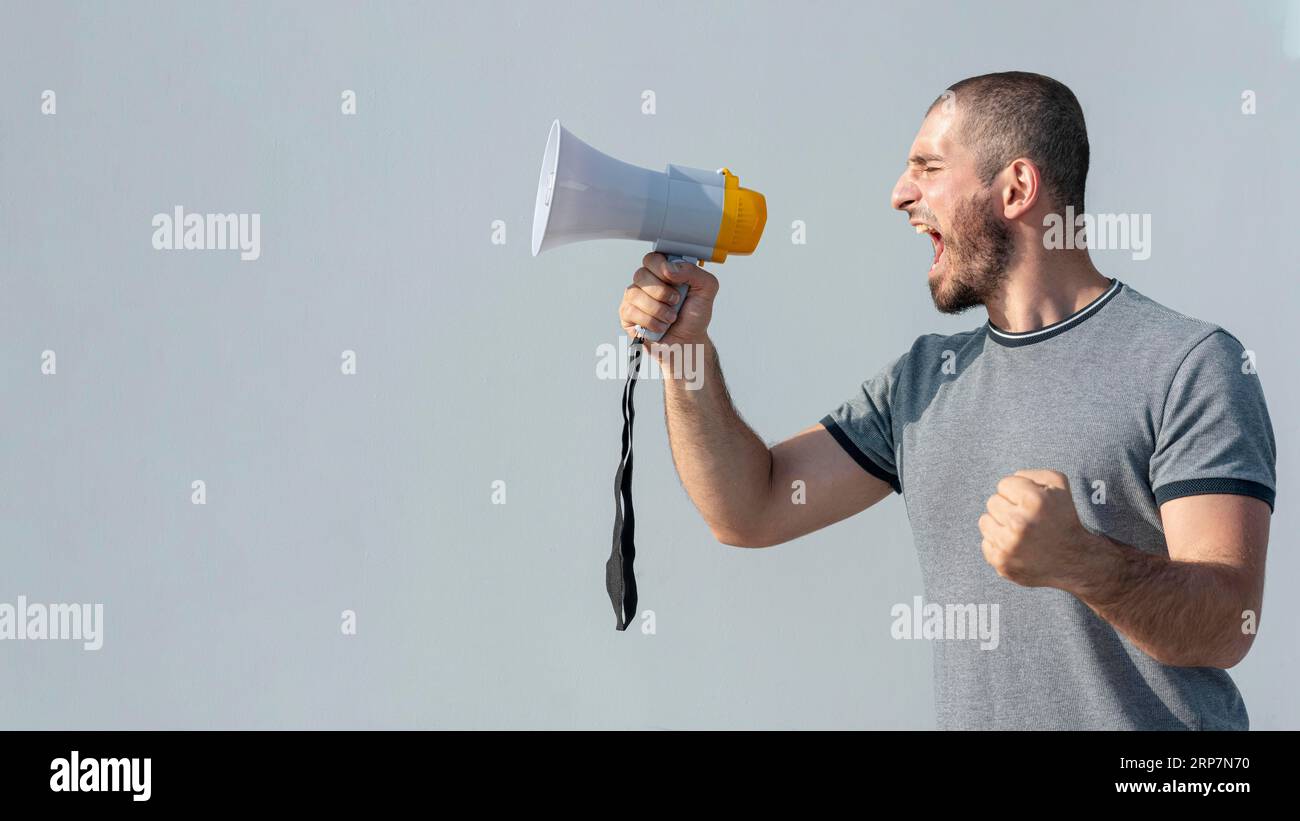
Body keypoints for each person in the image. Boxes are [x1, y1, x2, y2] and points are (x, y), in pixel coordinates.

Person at [617, 71, 1276, 730]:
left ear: (1016, 188)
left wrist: (1084, 561)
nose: (900, 195)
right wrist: (685, 355)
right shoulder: (924, 382)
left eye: (928, 168)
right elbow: (750, 507)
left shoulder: (1189, 363)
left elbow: (1228, 622)